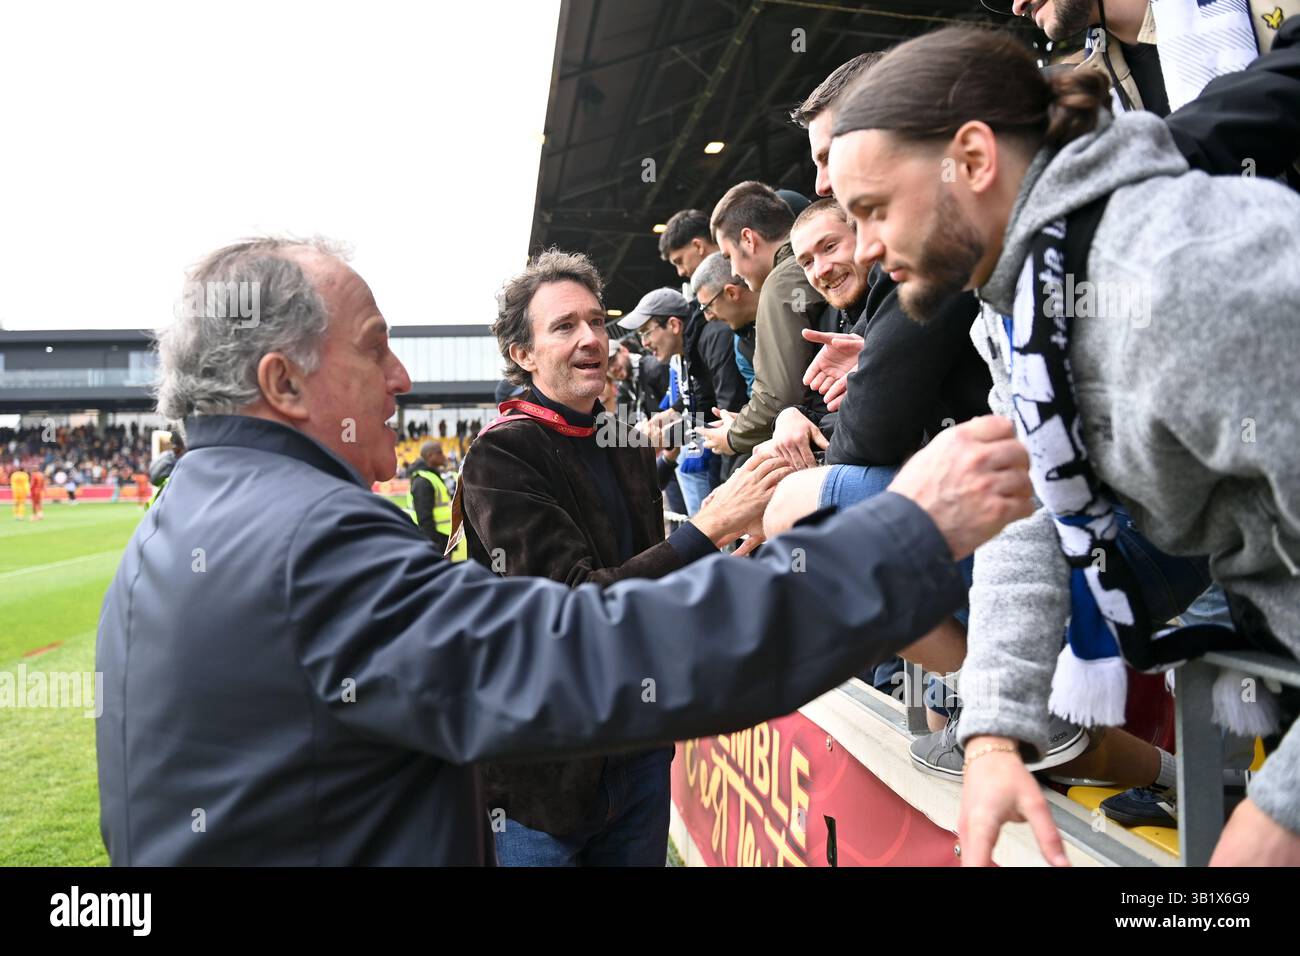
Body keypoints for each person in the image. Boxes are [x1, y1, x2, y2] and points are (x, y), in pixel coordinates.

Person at [96, 235, 1032, 865]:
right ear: (283, 382)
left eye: (600, 322)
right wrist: (901, 532)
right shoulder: (310, 537)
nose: (403, 376)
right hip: (548, 799)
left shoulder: (178, 526)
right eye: (376, 347)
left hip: (628, 772)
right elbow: (586, 649)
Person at [829, 24, 1300, 866]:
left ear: (972, 158)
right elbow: (1030, 503)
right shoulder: (1024, 305)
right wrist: (997, 730)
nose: (863, 249)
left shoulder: (1182, 272)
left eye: (871, 211)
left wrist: (1279, 816)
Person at [457, 249, 789, 865]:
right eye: (564, 326)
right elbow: (577, 606)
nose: (591, 340)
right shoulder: (500, 457)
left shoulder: (626, 446)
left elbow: (653, 590)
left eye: (597, 322)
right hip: (542, 775)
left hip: (638, 752)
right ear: (522, 355)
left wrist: (723, 566)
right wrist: (709, 526)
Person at [698, 182, 825, 464]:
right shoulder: (807, 267)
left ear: (748, 239)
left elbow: (780, 398)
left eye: (729, 256)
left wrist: (732, 436)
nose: (732, 270)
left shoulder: (781, 282)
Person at [407, 440, 465, 560]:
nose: (444, 455)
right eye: (439, 452)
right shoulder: (423, 480)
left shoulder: (432, 476)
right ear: (430, 456)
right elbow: (424, 519)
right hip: (436, 543)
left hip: (442, 540)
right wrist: (434, 547)